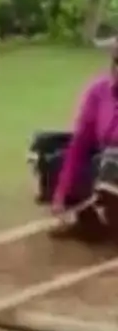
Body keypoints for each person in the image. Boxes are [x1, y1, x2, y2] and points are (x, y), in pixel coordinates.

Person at [37, 41, 118, 241]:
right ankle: (89, 224)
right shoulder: (99, 91)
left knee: (110, 163)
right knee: (54, 160)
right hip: (105, 163)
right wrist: (61, 192)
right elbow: (80, 143)